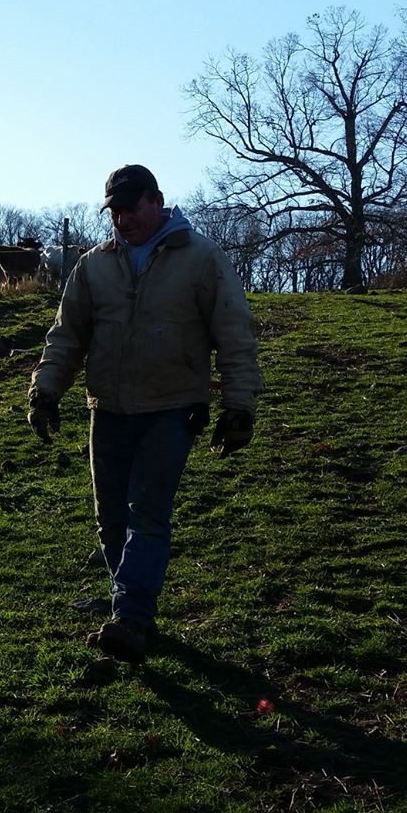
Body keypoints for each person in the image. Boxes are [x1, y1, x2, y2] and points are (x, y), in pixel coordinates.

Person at [26, 163, 262, 660]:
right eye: (116, 210)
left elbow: (234, 333)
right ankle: (126, 605)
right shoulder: (93, 265)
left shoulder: (201, 259)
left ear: (157, 201)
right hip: (108, 409)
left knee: (147, 513)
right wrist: (45, 391)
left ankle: (132, 616)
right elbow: (67, 336)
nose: (124, 220)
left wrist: (238, 405)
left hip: (172, 408)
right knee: (110, 519)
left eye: (133, 208)